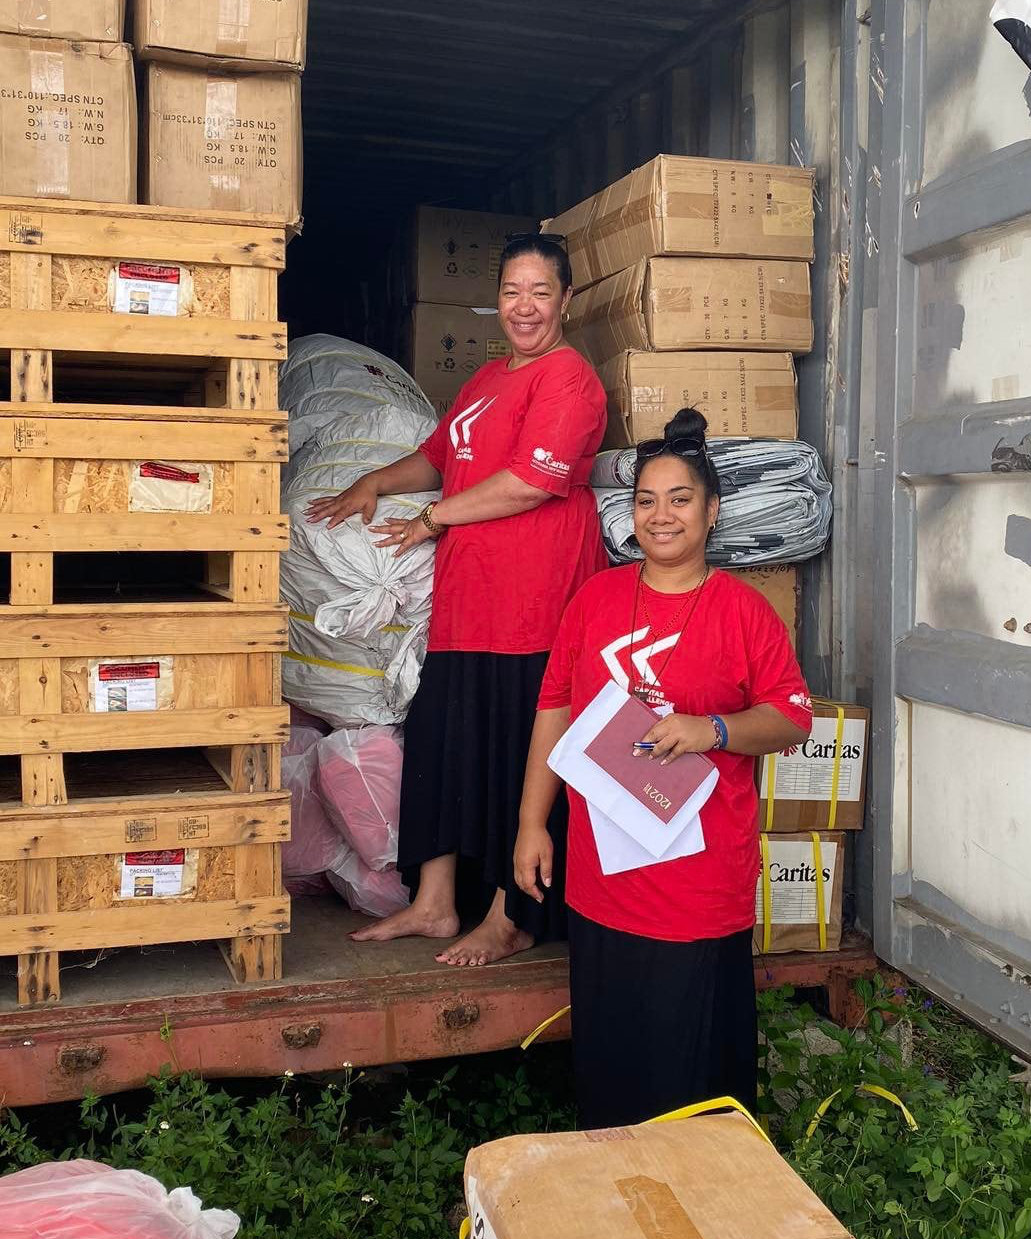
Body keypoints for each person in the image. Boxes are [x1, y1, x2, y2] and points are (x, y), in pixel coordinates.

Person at [306, 233, 608, 965]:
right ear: (495, 300)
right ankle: (435, 904)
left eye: (540, 292)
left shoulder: (569, 381)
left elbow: (530, 484)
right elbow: (440, 457)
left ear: (566, 299)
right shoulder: (485, 380)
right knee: (443, 746)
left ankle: (508, 915)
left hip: (534, 602)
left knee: (515, 759)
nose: (524, 306)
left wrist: (432, 517)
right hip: (468, 601)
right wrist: (376, 483)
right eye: (512, 291)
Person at [514, 408, 813, 1128]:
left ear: (711, 512)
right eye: (645, 501)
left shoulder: (744, 613)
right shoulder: (595, 599)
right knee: (612, 1064)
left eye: (679, 499)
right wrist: (531, 824)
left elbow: (790, 718)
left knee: (692, 1074)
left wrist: (710, 729)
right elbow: (553, 708)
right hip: (602, 878)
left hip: (698, 885)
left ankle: (707, 1211)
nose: (661, 515)